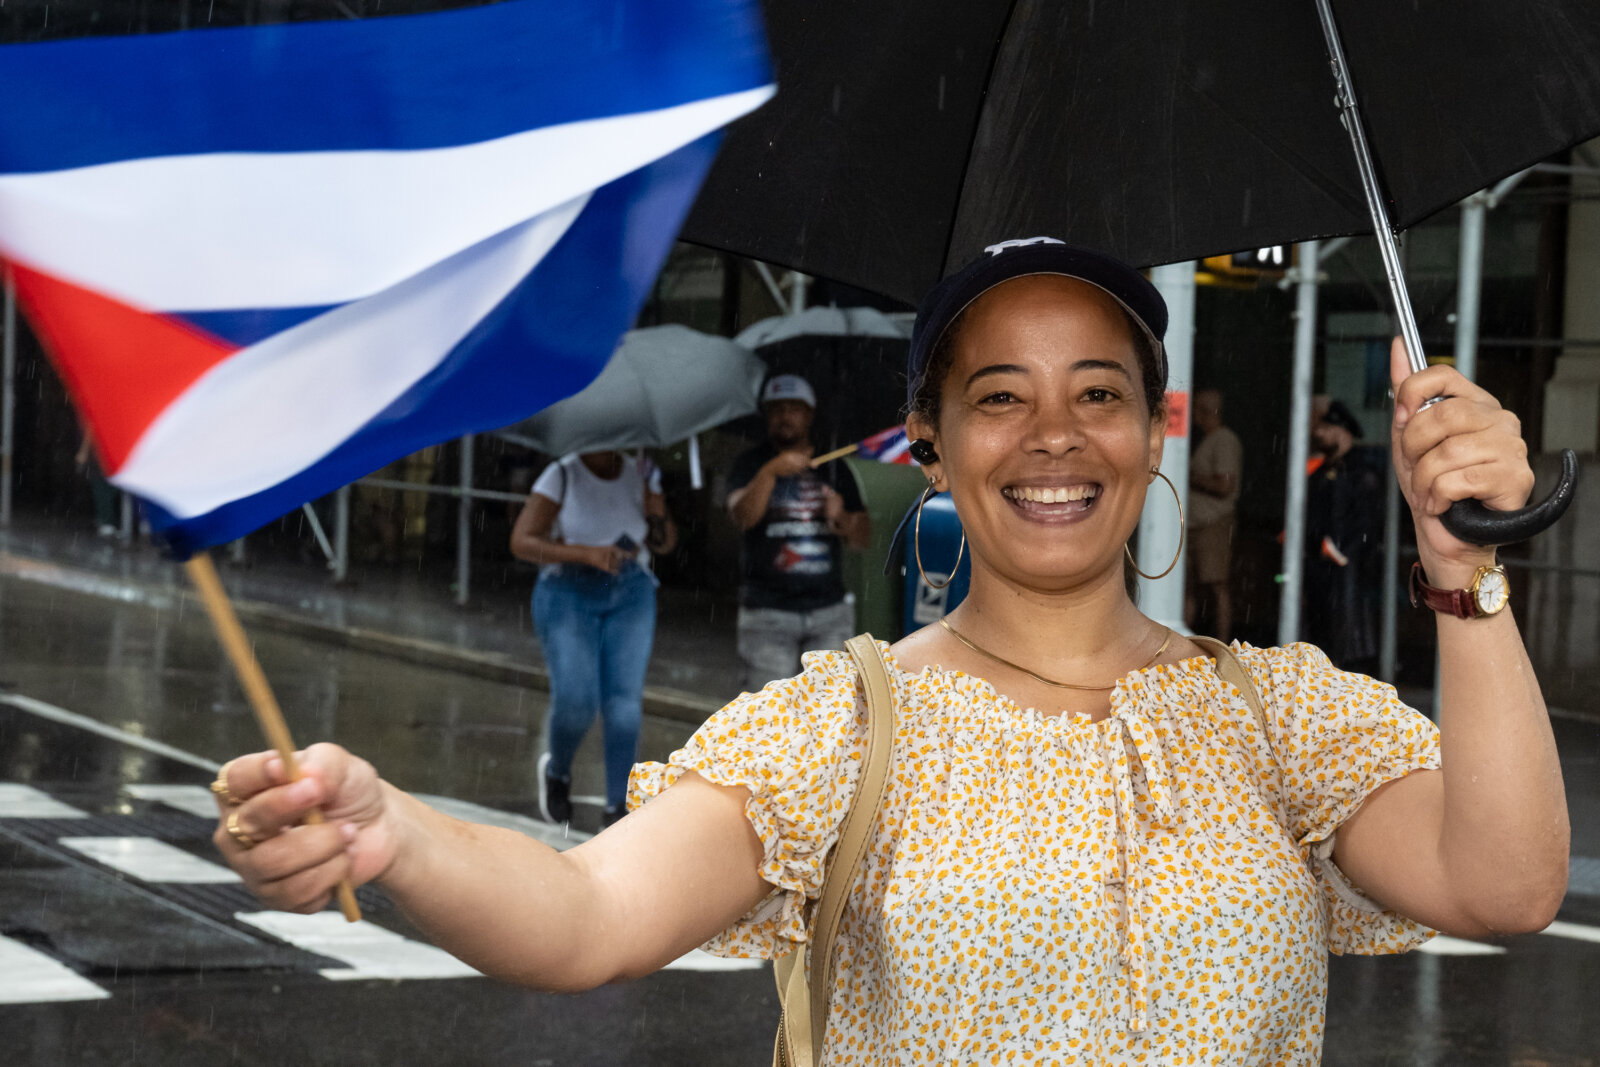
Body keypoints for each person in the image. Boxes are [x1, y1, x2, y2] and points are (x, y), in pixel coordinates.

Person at [209, 241, 1566, 1065]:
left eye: (1097, 392)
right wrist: (397, 833)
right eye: (998, 397)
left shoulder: (1277, 716)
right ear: (930, 439)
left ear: (1150, 427)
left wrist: (1464, 570)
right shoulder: (840, 727)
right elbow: (589, 917)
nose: (1053, 434)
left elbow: (1502, 883)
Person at [508, 450, 677, 828]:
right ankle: (558, 771)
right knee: (576, 700)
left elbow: (665, 544)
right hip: (568, 591)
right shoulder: (562, 474)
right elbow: (521, 541)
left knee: (624, 705)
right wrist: (586, 554)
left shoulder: (642, 471)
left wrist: (656, 508)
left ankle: (618, 805)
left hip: (630, 591)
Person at [725, 374, 871, 689]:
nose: (785, 416)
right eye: (777, 408)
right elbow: (743, 517)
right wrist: (770, 472)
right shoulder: (750, 464)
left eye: (794, 408)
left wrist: (842, 517)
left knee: (827, 721)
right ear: (766, 415)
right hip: (767, 613)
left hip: (828, 613)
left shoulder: (834, 466)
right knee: (769, 726)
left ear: (810, 414)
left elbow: (862, 538)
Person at [1304, 399, 1385, 672]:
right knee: (1323, 630)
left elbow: (1366, 523)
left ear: (1341, 431)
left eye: (1326, 428)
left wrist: (1342, 552)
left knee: (1348, 631)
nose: (1319, 434)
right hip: (1321, 567)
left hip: (1346, 569)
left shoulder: (1360, 472)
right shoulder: (1322, 470)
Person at [1184, 387, 1242, 639]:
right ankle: (1183, 641)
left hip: (1214, 523)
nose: (1193, 414)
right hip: (1195, 523)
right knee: (1187, 587)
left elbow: (1225, 485)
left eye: (1196, 408)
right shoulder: (1206, 440)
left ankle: (1223, 644)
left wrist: (1189, 478)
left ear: (1207, 411)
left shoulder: (1224, 440)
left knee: (1217, 585)